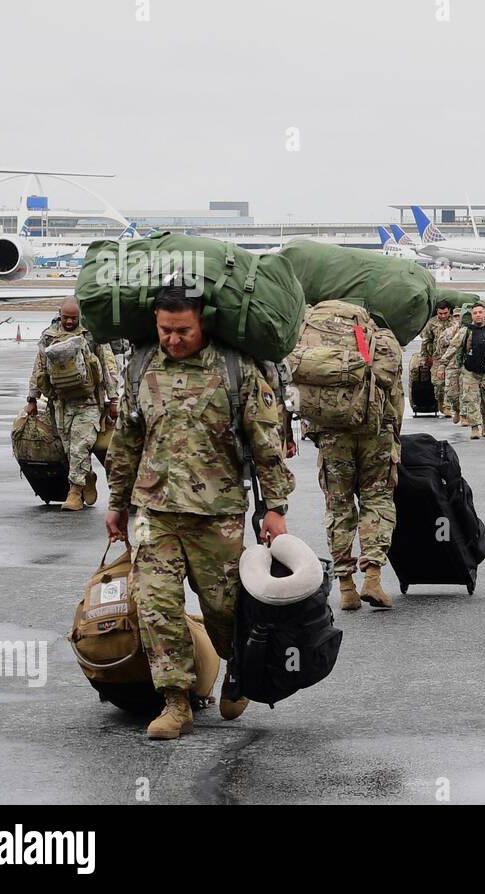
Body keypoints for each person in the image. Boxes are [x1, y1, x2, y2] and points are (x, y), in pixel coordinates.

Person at [105, 280, 294, 741]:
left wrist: (275, 508)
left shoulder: (236, 370)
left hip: (218, 511)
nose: (173, 339)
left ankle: (237, 674)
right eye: (166, 329)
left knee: (222, 609)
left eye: (183, 330)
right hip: (156, 509)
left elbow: (266, 444)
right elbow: (127, 439)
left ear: (202, 322)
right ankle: (176, 700)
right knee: (155, 603)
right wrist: (115, 502)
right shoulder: (141, 367)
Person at [289, 309, 403, 612]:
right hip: (374, 431)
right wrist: (396, 436)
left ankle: (346, 587)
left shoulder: (315, 339)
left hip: (331, 434)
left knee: (338, 505)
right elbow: (394, 392)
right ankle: (373, 577)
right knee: (377, 498)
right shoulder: (381, 341)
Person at [25, 299, 119, 511]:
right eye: (65, 317)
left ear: (80, 317)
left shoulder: (91, 335)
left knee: (80, 445)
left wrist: (113, 400)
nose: (68, 321)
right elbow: (38, 366)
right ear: (59, 314)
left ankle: (74, 492)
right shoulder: (49, 336)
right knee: (68, 448)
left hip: (88, 403)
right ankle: (86, 476)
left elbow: (107, 366)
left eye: (73, 318)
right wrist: (32, 398)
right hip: (60, 403)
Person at [442, 302, 485, 439]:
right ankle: (474, 427)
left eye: (480, 312)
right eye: (475, 313)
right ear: (472, 316)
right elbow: (453, 347)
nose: (478, 315)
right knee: (470, 399)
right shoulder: (465, 331)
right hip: (470, 371)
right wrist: (443, 364)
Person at [419, 299, 456, 416]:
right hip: (437, 357)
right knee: (439, 383)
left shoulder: (455, 323)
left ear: (449, 311)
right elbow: (426, 341)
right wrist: (425, 358)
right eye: (440, 313)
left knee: (451, 382)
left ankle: (448, 406)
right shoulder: (432, 323)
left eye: (445, 313)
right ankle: (440, 401)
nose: (443, 316)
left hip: (452, 357)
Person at [438, 312, 464, 423]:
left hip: (465, 366)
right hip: (452, 365)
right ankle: (456, 409)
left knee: (467, 392)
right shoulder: (449, 331)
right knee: (452, 393)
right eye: (456, 316)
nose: (457, 319)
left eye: (460, 316)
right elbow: (440, 345)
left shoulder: (469, 330)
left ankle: (465, 416)